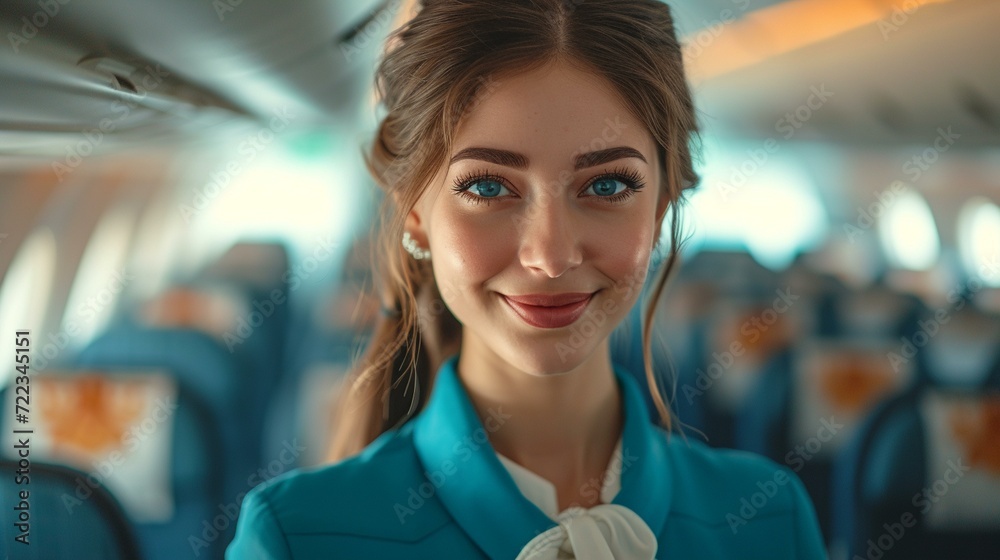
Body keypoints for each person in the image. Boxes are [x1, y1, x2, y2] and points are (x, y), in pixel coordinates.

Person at [226, 0, 827, 557]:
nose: (551, 255)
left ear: (661, 208)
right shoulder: (295, 538)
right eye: (488, 187)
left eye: (607, 185)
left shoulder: (768, 520)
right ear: (415, 214)